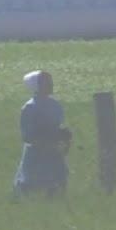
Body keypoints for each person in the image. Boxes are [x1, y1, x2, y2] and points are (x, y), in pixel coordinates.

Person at [13, 70, 70, 198]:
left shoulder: (55, 105)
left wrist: (63, 139)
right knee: (31, 185)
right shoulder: (29, 108)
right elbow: (28, 136)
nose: (51, 85)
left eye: (50, 81)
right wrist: (45, 145)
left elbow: (57, 125)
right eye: (46, 82)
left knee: (56, 185)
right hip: (36, 153)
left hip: (54, 151)